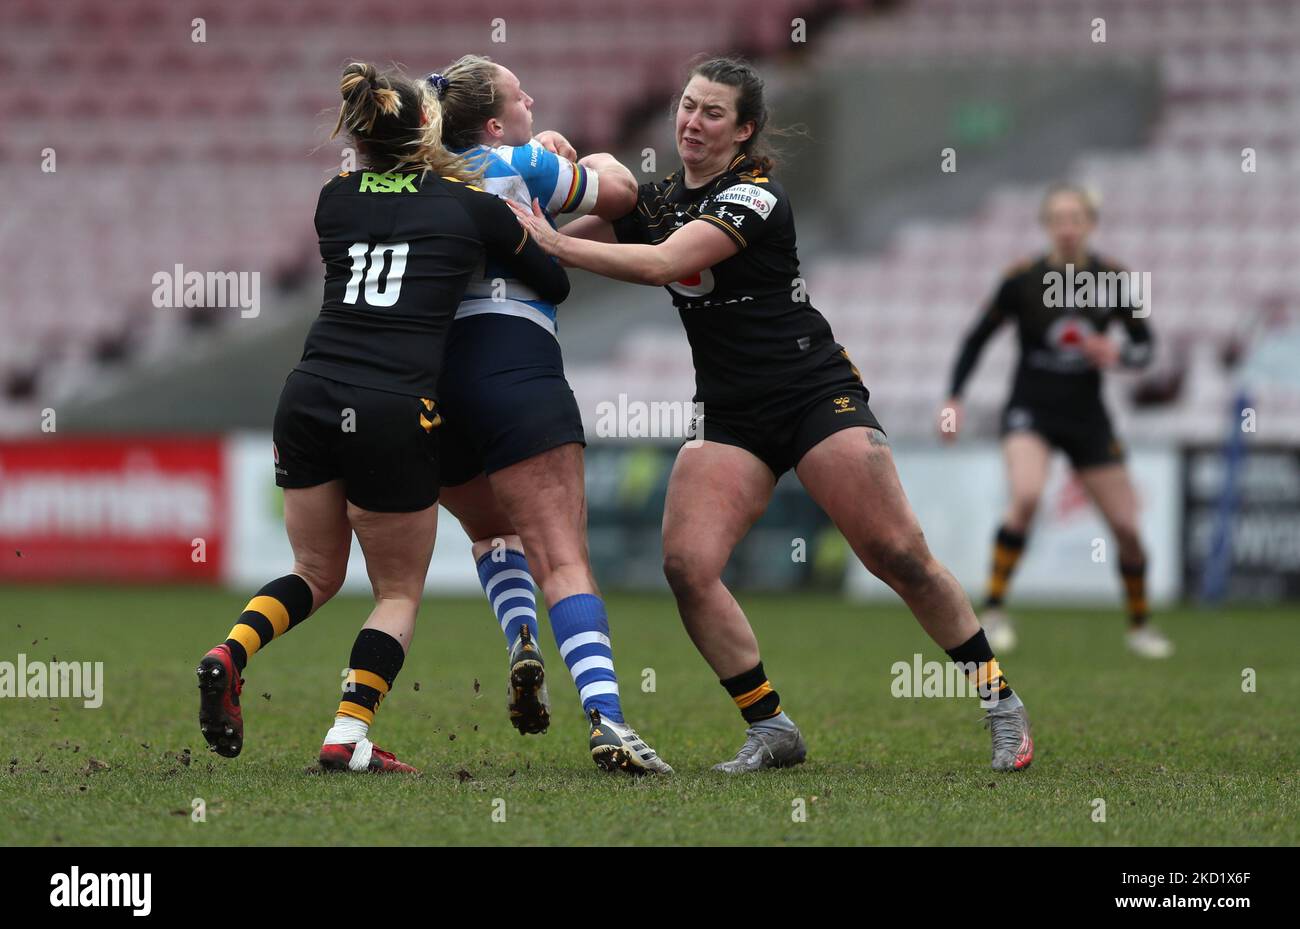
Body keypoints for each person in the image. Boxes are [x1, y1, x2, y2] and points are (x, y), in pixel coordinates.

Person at [510, 57, 1034, 773]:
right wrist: (559, 161)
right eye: (688, 106)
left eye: (714, 113)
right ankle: (771, 726)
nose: (693, 122)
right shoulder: (659, 198)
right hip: (729, 412)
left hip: (813, 392)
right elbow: (606, 194)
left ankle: (999, 699)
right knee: (688, 566)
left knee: (898, 555)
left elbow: (661, 263)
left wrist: (551, 237)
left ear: (744, 129)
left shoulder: (756, 197)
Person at [195, 62, 570, 773]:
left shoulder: (332, 198)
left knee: (312, 570)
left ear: (359, 139)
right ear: (428, 129)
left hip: (307, 393)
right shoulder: (469, 205)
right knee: (396, 591)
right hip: (393, 406)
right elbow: (555, 279)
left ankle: (229, 652)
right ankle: (347, 736)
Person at [425, 54, 671, 774]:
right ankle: (607, 722)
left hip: (432, 377)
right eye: (519, 92)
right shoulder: (519, 160)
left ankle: (519, 638)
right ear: (495, 122)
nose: (533, 97)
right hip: (514, 355)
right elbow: (622, 193)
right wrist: (581, 152)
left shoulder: (415, 175)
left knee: (490, 533)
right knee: (562, 557)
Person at [941, 183, 1172, 659]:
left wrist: (1120, 352)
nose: (1067, 228)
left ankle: (1140, 625)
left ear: (1090, 224)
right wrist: (954, 399)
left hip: (1088, 416)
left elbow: (1146, 344)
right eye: (1058, 219)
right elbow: (975, 338)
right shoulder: (1022, 279)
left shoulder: (1112, 278)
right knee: (1025, 496)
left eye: (1075, 218)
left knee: (1127, 529)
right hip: (1032, 409)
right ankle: (996, 609)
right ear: (1046, 225)